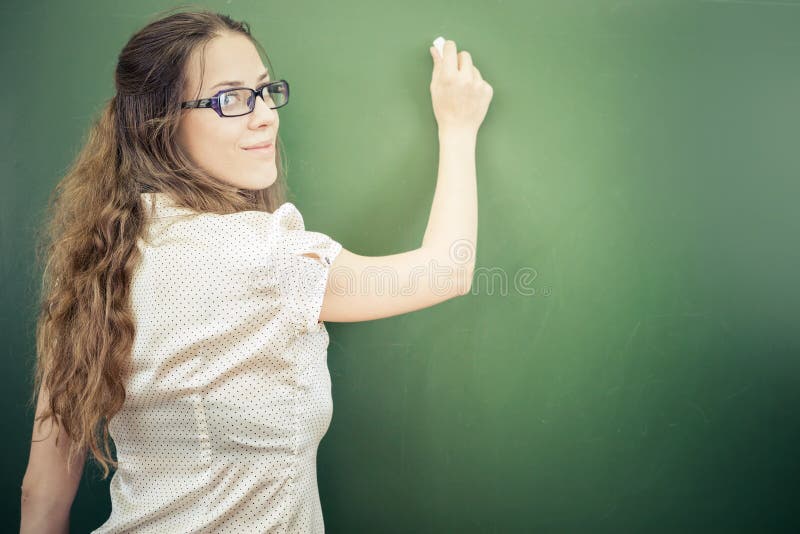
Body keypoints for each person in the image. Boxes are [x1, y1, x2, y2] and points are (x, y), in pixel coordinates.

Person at [20, 8, 493, 533]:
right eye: (231, 99)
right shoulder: (266, 257)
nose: (266, 114)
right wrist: (458, 126)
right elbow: (447, 270)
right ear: (161, 124)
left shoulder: (90, 271)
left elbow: (39, 500)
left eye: (265, 91)